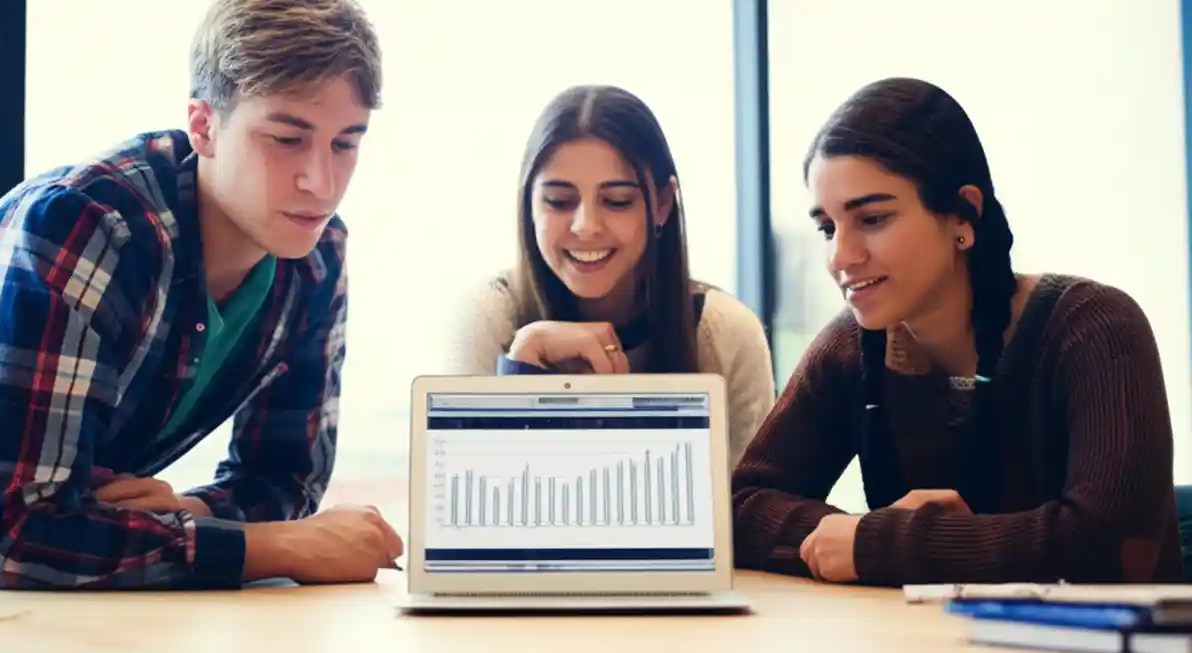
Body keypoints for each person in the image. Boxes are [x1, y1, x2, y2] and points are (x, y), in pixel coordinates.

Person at [0, 0, 402, 589]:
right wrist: (265, 547)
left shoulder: (315, 256)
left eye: (345, 144)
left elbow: (283, 482)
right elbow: (9, 538)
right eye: (285, 139)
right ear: (203, 126)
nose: (321, 184)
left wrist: (190, 516)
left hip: (1, 599)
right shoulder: (84, 226)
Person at [731, 77, 1183, 586]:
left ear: (963, 215)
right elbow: (743, 506)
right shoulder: (852, 348)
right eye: (827, 228)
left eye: (873, 219)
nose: (840, 257)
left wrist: (880, 544)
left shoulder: (1095, 330)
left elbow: (1115, 547)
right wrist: (850, 535)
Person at [446, 85, 775, 468]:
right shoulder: (489, 318)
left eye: (617, 201)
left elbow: (749, 515)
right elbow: (466, 513)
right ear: (529, 206)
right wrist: (521, 369)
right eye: (559, 201)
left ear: (662, 205)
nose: (586, 226)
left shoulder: (724, 333)